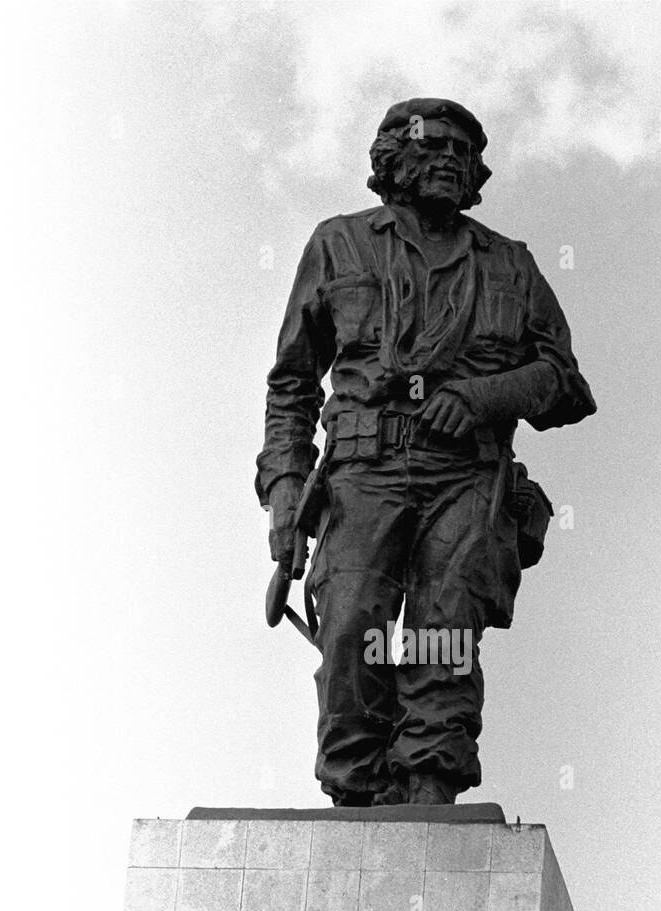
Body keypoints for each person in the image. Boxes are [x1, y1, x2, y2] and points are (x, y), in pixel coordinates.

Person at [255, 98, 596, 806]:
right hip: (361, 474)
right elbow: (292, 382)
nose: (447, 156)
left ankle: (427, 792)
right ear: (391, 160)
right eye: (430, 142)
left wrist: (483, 397)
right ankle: (355, 794)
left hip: (464, 476)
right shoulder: (339, 244)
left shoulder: (509, 262)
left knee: (444, 635)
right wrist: (287, 493)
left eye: (462, 150)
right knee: (349, 627)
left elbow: (564, 383)